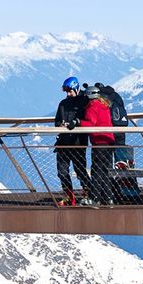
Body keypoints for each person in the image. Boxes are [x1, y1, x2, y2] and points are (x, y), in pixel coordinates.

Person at [54, 77, 91, 206]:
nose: (68, 94)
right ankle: (69, 196)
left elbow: (89, 120)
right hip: (63, 142)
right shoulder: (63, 104)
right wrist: (60, 125)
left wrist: (76, 123)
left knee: (80, 169)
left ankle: (88, 192)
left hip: (78, 142)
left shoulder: (85, 101)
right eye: (67, 92)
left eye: (70, 91)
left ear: (76, 88)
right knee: (62, 171)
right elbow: (57, 121)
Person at [80, 86, 116, 206]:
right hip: (109, 141)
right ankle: (108, 197)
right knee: (104, 170)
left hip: (99, 141)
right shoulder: (104, 105)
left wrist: (78, 122)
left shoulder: (92, 106)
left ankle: (95, 198)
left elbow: (91, 124)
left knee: (96, 170)